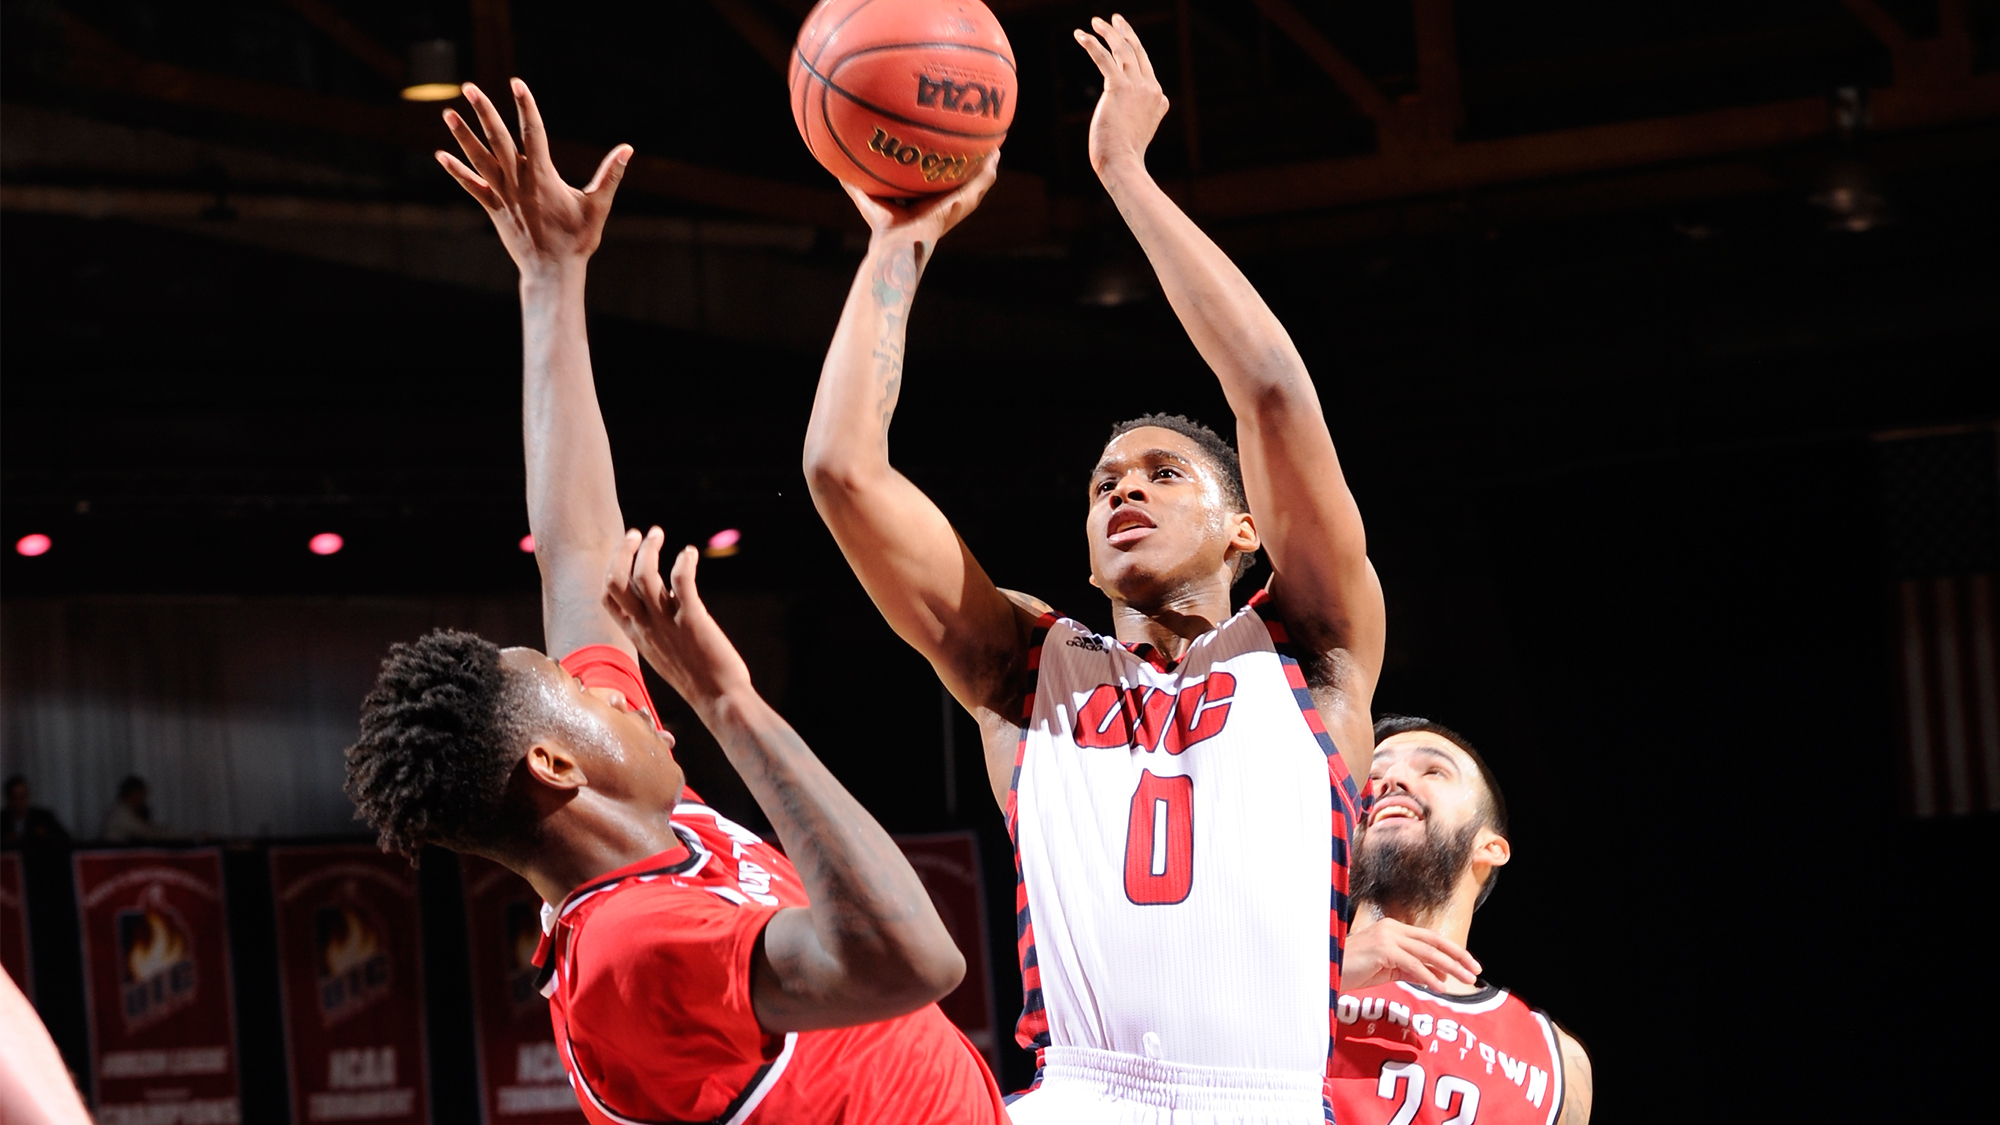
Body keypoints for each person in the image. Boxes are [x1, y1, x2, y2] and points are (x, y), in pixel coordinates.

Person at [803, 15, 1470, 1122]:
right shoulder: (1025, 668)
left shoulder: (1316, 652)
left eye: (1161, 474)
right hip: (1077, 1098)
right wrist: (898, 240)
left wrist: (1124, 173)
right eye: (1103, 482)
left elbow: (1270, 390)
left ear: (1241, 531)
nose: (1121, 490)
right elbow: (838, 470)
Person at [343, 79, 1007, 1125]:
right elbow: (916, 961)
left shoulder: (638, 816)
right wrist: (729, 701)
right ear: (555, 768)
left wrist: (550, 279)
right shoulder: (627, 953)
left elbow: (575, 552)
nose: (615, 687)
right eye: (588, 696)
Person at [1326, 717, 1593, 1125]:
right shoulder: (1264, 971)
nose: (1391, 779)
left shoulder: (1556, 1058)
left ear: (1490, 847)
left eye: (1433, 770)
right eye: (1371, 774)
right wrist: (1324, 977)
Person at [99, 776, 175, 843]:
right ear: (131, 794)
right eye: (140, 795)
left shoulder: (126, 810)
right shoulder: (121, 813)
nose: (143, 799)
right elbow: (146, 832)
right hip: (114, 855)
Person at [1, 776, 69, 849]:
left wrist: (46, 835)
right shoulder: (2, 820)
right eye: (16, 796)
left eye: (23, 796)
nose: (20, 801)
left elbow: (65, 839)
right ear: (9, 799)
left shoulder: (43, 817)